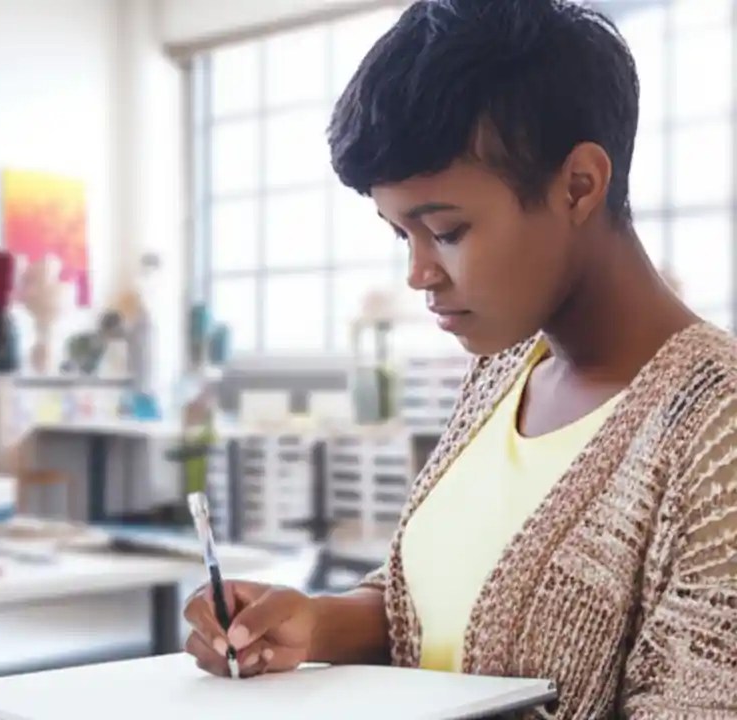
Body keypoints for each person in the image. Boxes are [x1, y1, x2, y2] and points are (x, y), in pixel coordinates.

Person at [182, 1, 737, 717]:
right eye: (399, 234)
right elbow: (436, 607)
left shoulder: (717, 437)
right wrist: (313, 624)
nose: (418, 273)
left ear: (579, 186)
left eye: (445, 230)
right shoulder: (506, 372)